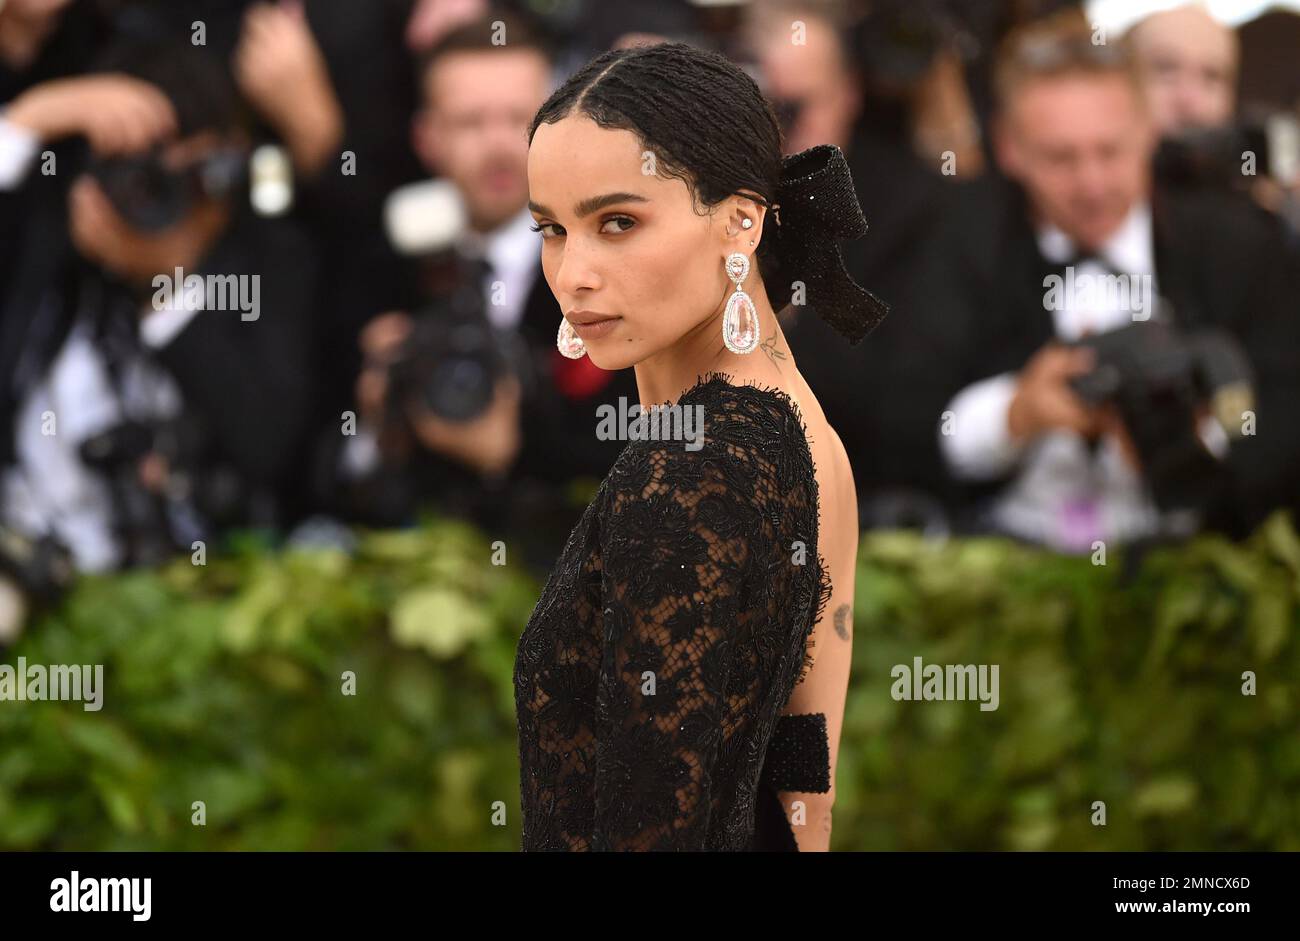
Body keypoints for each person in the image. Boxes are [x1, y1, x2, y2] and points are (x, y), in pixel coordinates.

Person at [514, 40, 889, 851]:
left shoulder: (687, 472)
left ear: (742, 220)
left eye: (618, 222)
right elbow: (805, 786)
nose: (573, 271)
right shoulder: (806, 434)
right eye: (551, 229)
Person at [927, 11, 1300, 552]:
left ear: (1148, 132)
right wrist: (1014, 414)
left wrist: (1200, 441)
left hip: (1195, 573)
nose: (1092, 183)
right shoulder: (960, 247)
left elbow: (1285, 424)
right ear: (1010, 148)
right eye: (1061, 158)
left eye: (1111, 150)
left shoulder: (1240, 244)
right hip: (1008, 570)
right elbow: (900, 428)